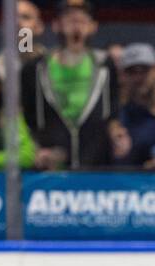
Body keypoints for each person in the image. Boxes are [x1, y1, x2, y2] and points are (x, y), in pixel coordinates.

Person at [21, 0, 118, 169]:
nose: (76, 26)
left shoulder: (105, 65)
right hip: (50, 168)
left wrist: (117, 135)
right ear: (56, 25)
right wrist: (35, 149)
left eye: (82, 21)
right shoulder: (35, 68)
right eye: (70, 20)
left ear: (93, 26)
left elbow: (113, 111)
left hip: (97, 166)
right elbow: (27, 117)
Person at [0, 0, 49, 82]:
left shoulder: (52, 63)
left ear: (39, 27)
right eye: (12, 17)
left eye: (25, 17)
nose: (17, 22)